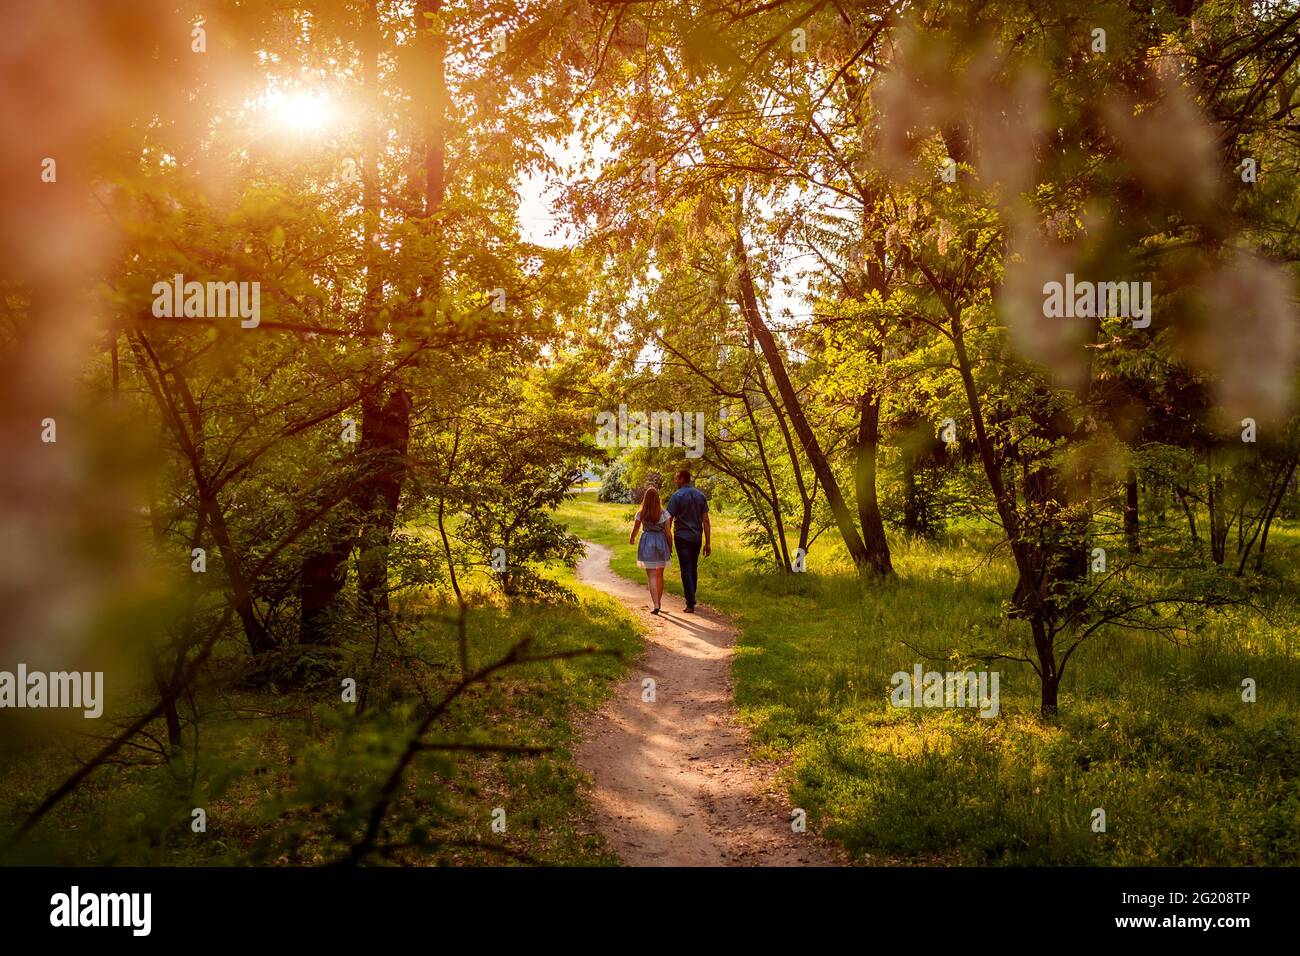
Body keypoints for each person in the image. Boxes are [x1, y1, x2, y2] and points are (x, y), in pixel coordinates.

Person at [665, 469, 710, 612]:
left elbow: (668, 520)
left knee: (686, 568)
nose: (675, 481)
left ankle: (690, 601)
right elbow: (706, 520)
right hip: (697, 537)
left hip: (682, 537)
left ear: (683, 479)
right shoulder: (700, 496)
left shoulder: (676, 496)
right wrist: (708, 542)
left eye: (676, 478)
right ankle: (691, 597)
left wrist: (668, 541)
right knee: (693, 568)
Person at [629, 485, 672, 614]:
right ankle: (659, 602)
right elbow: (669, 533)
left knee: (652, 576)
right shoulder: (664, 514)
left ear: (645, 499)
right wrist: (670, 547)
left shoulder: (641, 513)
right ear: (658, 499)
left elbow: (635, 529)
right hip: (660, 543)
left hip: (647, 543)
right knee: (660, 575)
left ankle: (656, 605)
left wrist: (632, 538)